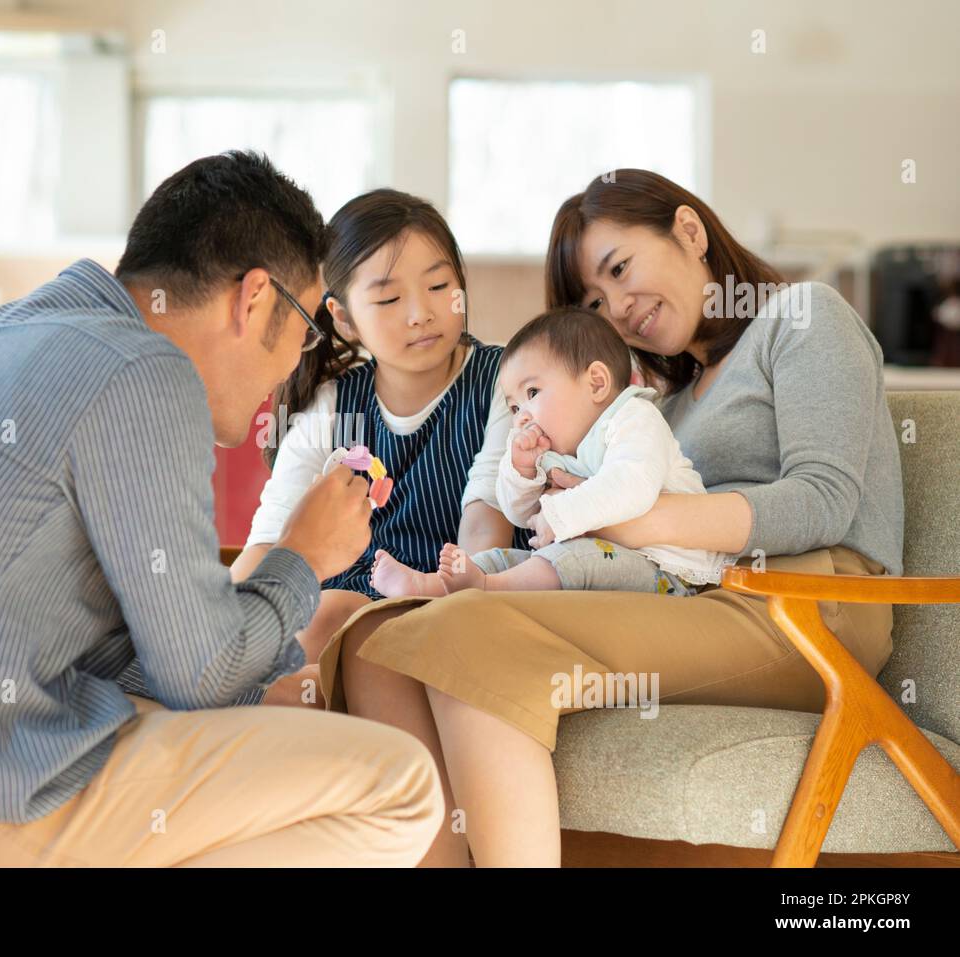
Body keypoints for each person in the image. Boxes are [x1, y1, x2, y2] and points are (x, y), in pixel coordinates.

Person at [0, 151, 443, 868]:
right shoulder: (146, 369)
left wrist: (252, 668)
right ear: (253, 299)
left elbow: (135, 662)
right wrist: (303, 557)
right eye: (306, 327)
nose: (296, 363)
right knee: (402, 785)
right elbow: (203, 670)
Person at [315, 168, 903, 868]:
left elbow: (823, 498)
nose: (619, 309)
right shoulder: (665, 400)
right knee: (387, 636)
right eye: (596, 299)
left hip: (814, 610)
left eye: (620, 269)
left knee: (469, 628)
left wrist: (640, 520)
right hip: (700, 594)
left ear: (690, 230)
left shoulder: (803, 316)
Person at [231, 189, 530, 707]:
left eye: (439, 286)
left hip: (456, 596)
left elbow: (485, 533)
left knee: (347, 622)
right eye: (389, 300)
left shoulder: (502, 380)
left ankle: (268, 709)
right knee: (325, 613)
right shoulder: (334, 402)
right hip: (343, 604)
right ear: (344, 319)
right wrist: (220, 634)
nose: (420, 313)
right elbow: (271, 542)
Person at [380, 305, 728, 598]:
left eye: (532, 392)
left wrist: (559, 514)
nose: (523, 416)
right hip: (606, 558)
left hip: (670, 572)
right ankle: (430, 584)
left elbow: (632, 485)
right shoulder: (559, 447)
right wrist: (522, 471)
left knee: (571, 558)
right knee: (504, 557)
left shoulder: (633, 418)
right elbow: (519, 514)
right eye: (514, 407)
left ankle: (486, 589)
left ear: (596, 383)